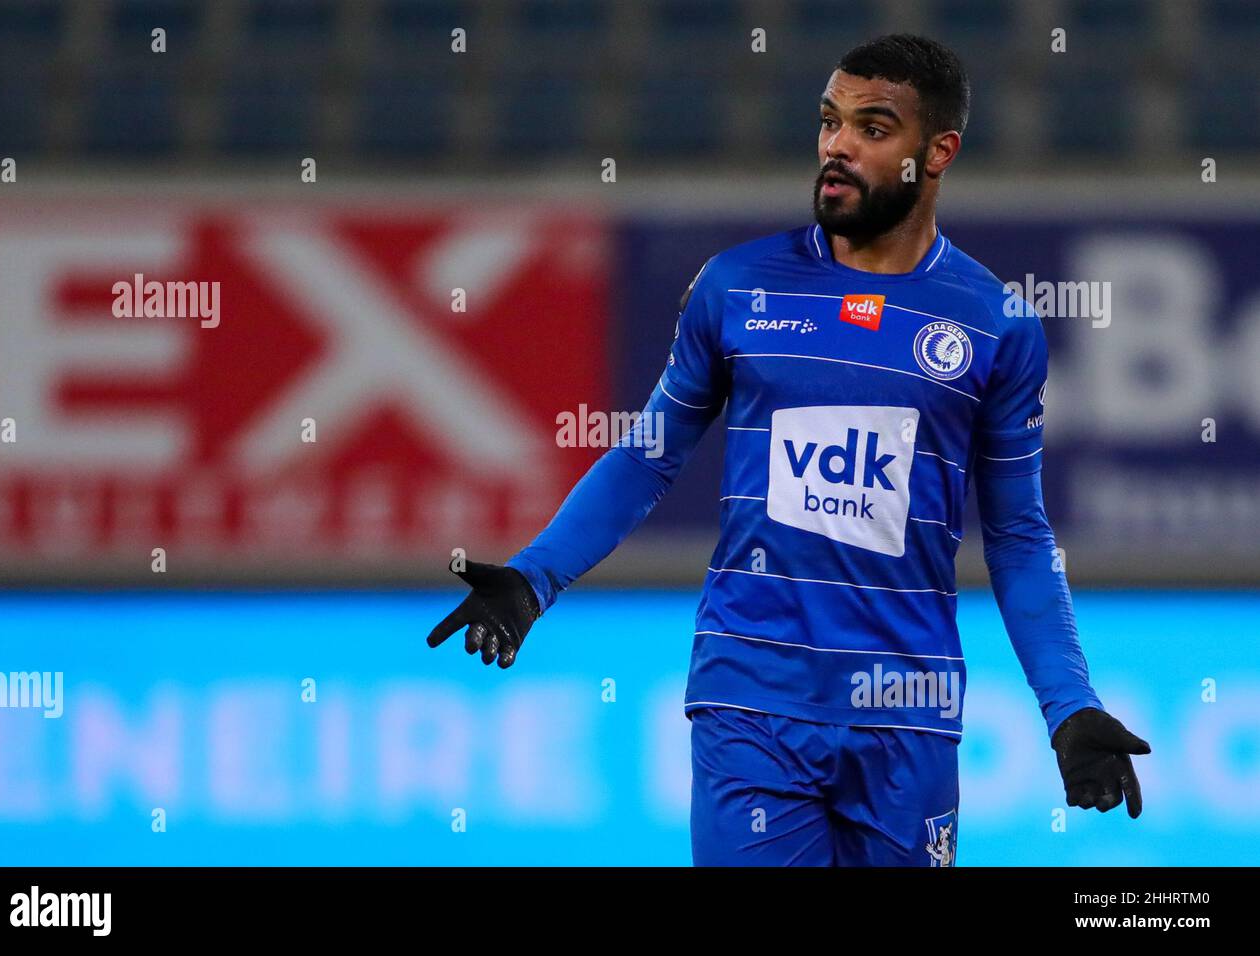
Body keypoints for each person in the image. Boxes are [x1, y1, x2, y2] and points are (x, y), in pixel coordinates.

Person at [426, 33, 1150, 866]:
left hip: (906, 713)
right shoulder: (737, 288)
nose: (838, 145)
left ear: (938, 152)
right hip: (752, 700)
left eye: (873, 129)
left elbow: (1019, 536)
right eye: (829, 121)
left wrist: (1069, 706)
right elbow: (646, 456)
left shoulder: (995, 324)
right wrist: (532, 577)